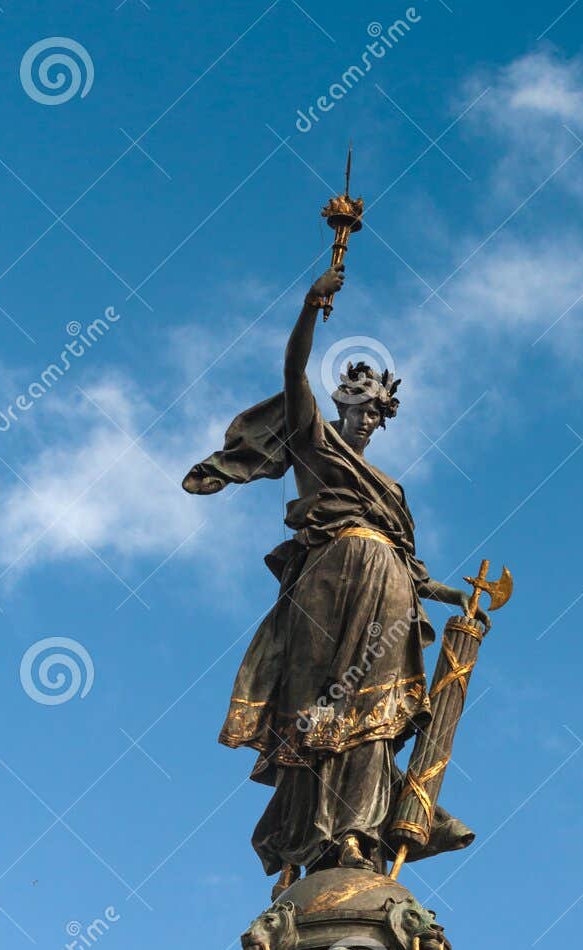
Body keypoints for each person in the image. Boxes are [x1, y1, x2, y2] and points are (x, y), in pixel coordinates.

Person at [183, 263, 483, 895]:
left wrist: (462, 598)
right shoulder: (313, 442)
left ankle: (357, 833)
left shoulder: (392, 490)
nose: (371, 420)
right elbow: (292, 372)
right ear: (343, 402)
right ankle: (311, 832)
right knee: (321, 711)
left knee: (374, 719)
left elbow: (411, 565)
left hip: (388, 594)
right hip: (327, 589)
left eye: (380, 414)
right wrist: (309, 308)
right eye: (363, 406)